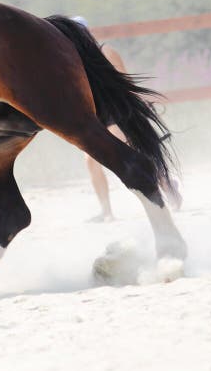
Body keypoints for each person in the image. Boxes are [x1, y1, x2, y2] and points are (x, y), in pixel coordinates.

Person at [71, 16, 182, 221]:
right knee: (91, 161)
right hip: (96, 117)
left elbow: (125, 80)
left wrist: (139, 108)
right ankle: (106, 211)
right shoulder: (75, 63)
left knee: (131, 152)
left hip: (116, 113)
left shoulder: (106, 52)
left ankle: (165, 185)